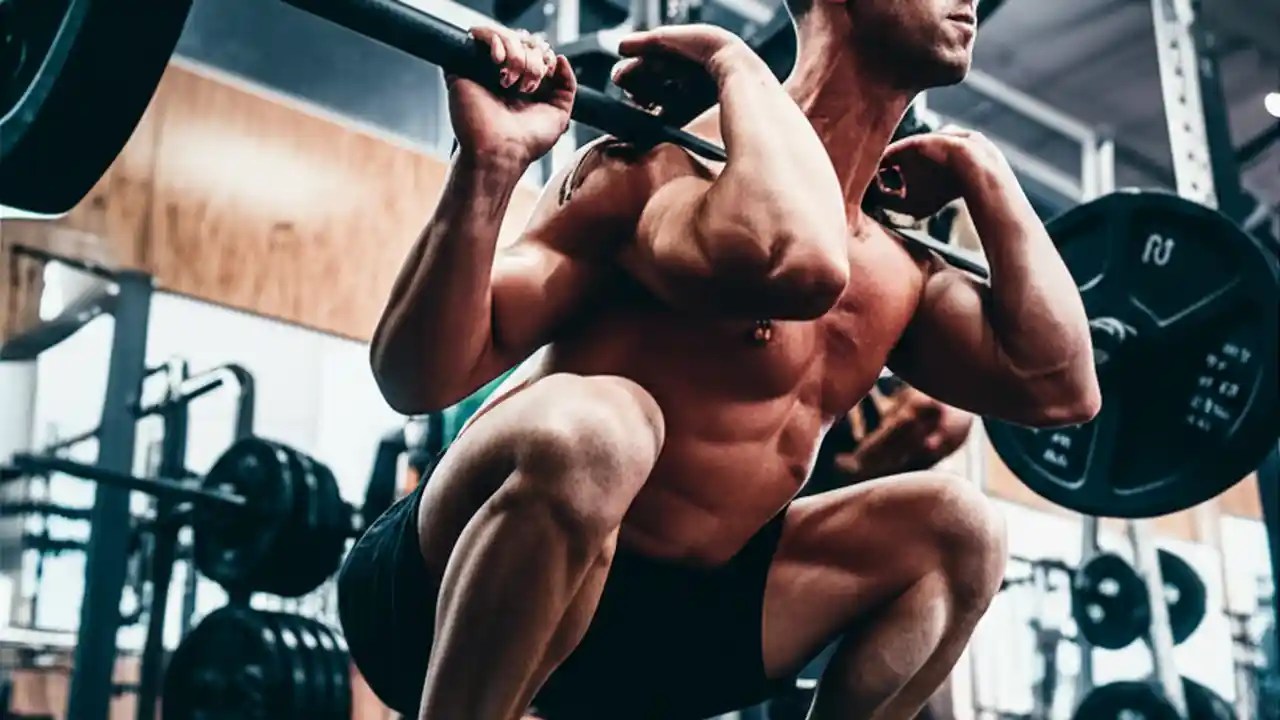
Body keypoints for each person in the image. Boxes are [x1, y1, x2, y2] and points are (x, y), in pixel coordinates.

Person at [339, 0, 1101, 716]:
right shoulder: (660, 172)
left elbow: (1062, 386)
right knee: (604, 426)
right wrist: (490, 167)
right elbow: (418, 378)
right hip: (446, 599)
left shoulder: (898, 268)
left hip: (670, 635)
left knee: (962, 530)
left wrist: (982, 170)